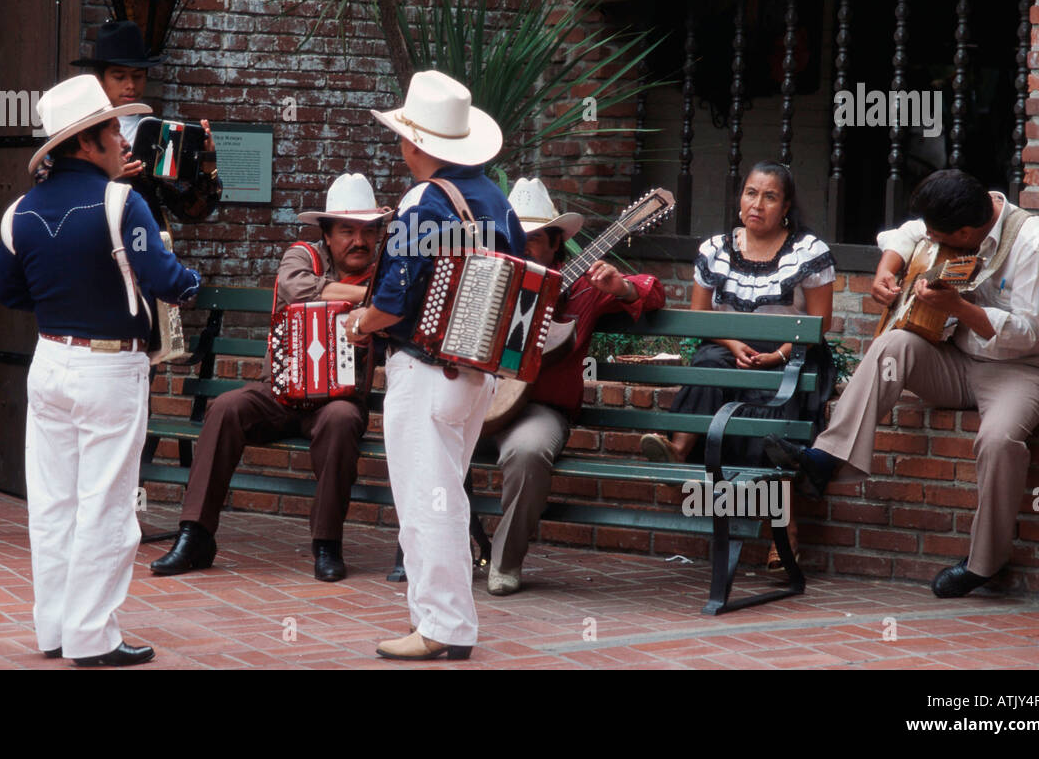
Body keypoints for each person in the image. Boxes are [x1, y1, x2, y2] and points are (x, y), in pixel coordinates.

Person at [765, 169, 1039, 598]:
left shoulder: (1034, 242)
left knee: (999, 441)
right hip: (960, 361)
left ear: (965, 232)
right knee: (894, 344)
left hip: (1029, 370)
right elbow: (906, 234)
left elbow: (1027, 332)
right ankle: (824, 458)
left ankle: (985, 561)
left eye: (941, 236)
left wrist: (957, 307)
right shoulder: (965, 208)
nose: (932, 241)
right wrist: (885, 272)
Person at [0, 74, 200, 667]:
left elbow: (10, 293)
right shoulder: (120, 201)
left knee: (53, 505)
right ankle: (93, 637)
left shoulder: (19, 212)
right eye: (112, 129)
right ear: (85, 142)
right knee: (107, 506)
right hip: (109, 369)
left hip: (50, 359)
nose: (121, 139)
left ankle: (54, 630)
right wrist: (192, 282)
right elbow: (165, 280)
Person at [344, 70, 522, 661]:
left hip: (424, 370)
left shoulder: (424, 200)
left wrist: (356, 323)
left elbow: (394, 301)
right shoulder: (495, 197)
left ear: (415, 143)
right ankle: (446, 623)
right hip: (474, 373)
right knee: (445, 491)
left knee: (427, 497)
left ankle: (442, 625)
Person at [150, 172, 391, 582]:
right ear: (327, 234)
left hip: (338, 398)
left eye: (368, 231)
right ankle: (196, 534)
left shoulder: (385, 272)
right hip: (278, 389)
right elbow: (296, 289)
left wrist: (367, 301)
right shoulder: (302, 256)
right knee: (226, 407)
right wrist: (370, 301)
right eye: (348, 230)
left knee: (342, 421)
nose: (360, 241)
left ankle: (327, 544)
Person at [643, 161, 835, 569]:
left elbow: (820, 326)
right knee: (710, 364)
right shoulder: (714, 249)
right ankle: (676, 453)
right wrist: (733, 342)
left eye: (769, 197)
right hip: (726, 343)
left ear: (785, 206)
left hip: (791, 350)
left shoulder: (808, 252)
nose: (757, 204)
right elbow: (699, 319)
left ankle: (784, 533)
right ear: (739, 198)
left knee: (765, 405)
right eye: (751, 193)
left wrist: (778, 354)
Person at [484, 177, 665, 596]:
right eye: (515, 236)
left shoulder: (585, 285)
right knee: (433, 434)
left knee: (528, 453)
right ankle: (437, 552)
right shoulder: (489, 274)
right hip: (479, 398)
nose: (521, 244)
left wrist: (618, 287)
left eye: (532, 238)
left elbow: (652, 292)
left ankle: (505, 563)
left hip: (539, 408)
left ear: (554, 242)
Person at [52, 20, 222, 227]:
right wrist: (108, 175)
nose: (130, 85)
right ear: (99, 79)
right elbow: (50, 190)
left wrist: (208, 170)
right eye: (119, 77)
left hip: (143, 244)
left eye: (138, 76)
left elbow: (189, 211)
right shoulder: (77, 130)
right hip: (90, 237)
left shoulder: (159, 134)